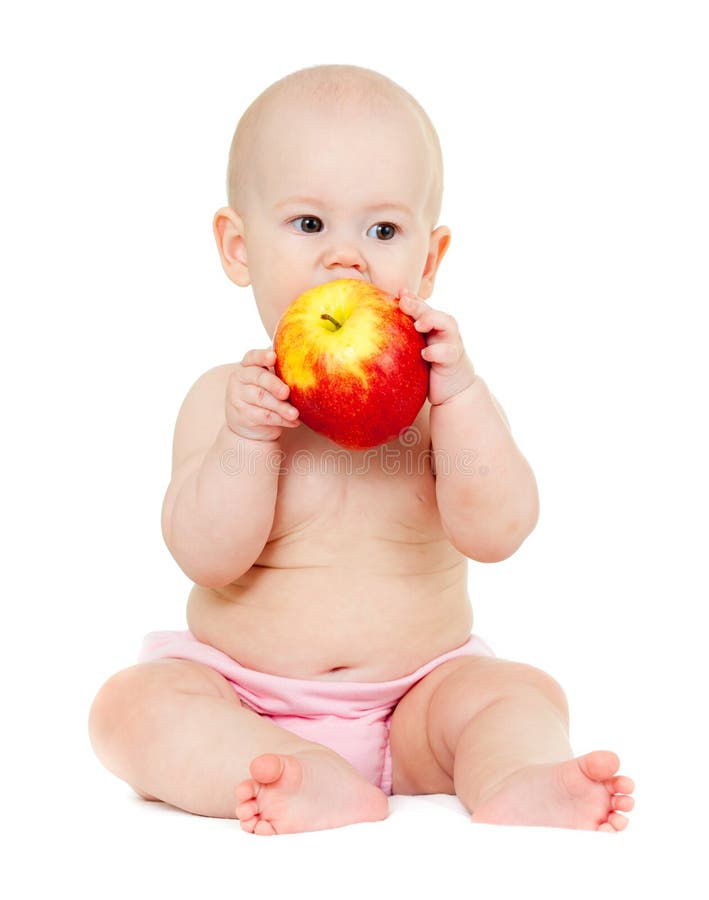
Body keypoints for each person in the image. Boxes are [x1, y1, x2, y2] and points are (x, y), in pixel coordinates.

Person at [88, 64, 635, 835]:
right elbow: (206, 556)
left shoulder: (444, 406)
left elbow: (500, 531)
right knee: (131, 707)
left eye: (381, 230)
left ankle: (515, 778)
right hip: (242, 694)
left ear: (429, 258)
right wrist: (248, 440)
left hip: (415, 699)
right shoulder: (224, 400)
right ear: (238, 247)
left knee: (515, 692)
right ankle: (283, 770)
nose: (345, 258)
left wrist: (461, 404)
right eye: (308, 224)